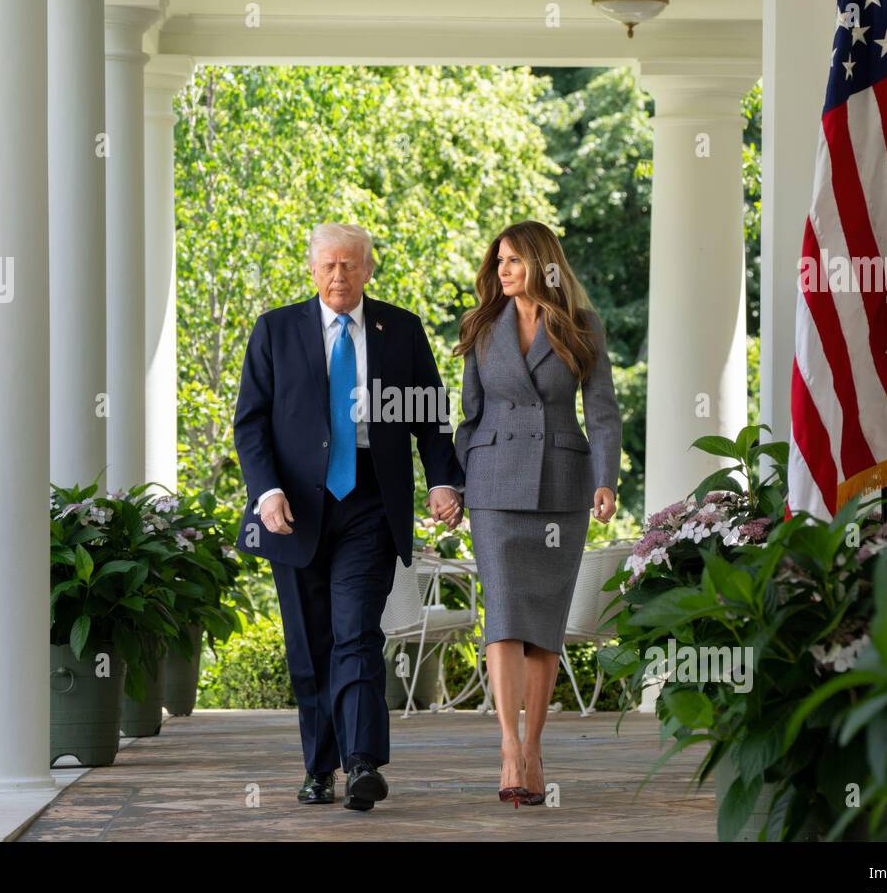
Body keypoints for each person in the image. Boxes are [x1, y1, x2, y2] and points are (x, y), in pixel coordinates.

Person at [232, 223, 465, 811]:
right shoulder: (276, 330)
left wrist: (441, 480)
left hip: (369, 500)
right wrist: (267, 492)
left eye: (350, 265)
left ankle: (361, 762)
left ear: (368, 268)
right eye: (329, 265)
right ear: (312, 269)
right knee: (310, 644)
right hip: (294, 506)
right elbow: (251, 423)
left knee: (357, 632)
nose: (339, 276)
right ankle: (320, 767)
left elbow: (431, 416)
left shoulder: (400, 330)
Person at [452, 220, 622, 808]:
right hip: (493, 485)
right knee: (501, 615)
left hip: (560, 486)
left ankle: (535, 748)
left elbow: (602, 413)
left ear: (543, 264)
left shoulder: (580, 325)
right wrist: (450, 484)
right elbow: (468, 418)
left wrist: (607, 481)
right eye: (499, 260)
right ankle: (507, 746)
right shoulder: (479, 327)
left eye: (515, 261)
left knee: (543, 624)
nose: (503, 270)